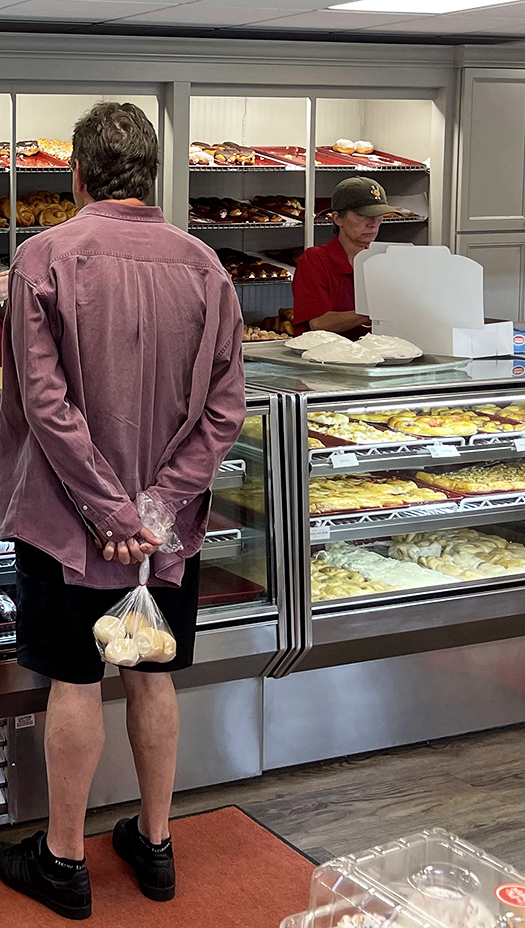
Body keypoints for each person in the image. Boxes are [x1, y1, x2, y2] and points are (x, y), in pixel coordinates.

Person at [0, 102, 245, 920]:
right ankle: (156, 841)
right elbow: (225, 408)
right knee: (151, 668)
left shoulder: (42, 257)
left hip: (70, 525)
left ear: (75, 174)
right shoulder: (206, 267)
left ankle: (64, 860)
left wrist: (108, 511)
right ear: (152, 175)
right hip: (163, 533)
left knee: (73, 678)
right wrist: (159, 506)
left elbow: (44, 402)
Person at [293, 176, 394, 340]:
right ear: (337, 218)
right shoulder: (315, 260)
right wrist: (375, 312)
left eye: (379, 215)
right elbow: (319, 323)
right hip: (324, 360)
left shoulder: (383, 261)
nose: (373, 223)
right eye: (363, 215)